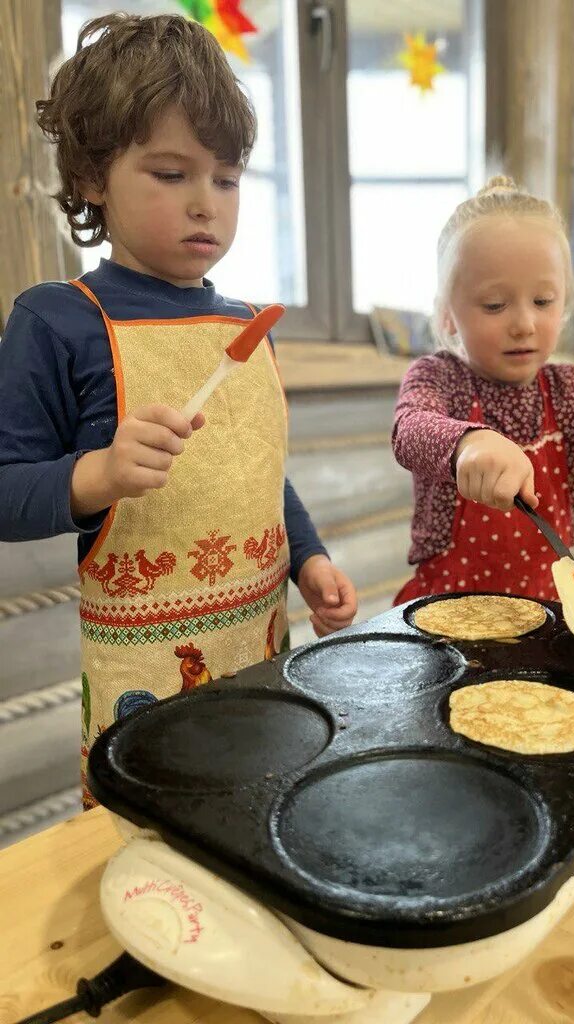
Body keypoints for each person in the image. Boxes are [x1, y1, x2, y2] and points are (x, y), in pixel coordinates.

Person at [0, 13, 356, 806]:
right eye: (170, 174)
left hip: (264, 656)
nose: (206, 204)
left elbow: (259, 474)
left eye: (225, 180)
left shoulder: (247, 328)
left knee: (261, 819)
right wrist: (95, 474)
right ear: (92, 177)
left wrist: (310, 557)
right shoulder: (58, 320)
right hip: (144, 683)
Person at [392, 176, 574, 604]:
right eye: (494, 305)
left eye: (543, 301)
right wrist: (466, 444)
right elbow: (409, 429)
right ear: (448, 316)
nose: (524, 323)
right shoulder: (439, 378)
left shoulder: (573, 393)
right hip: (444, 616)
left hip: (548, 613)